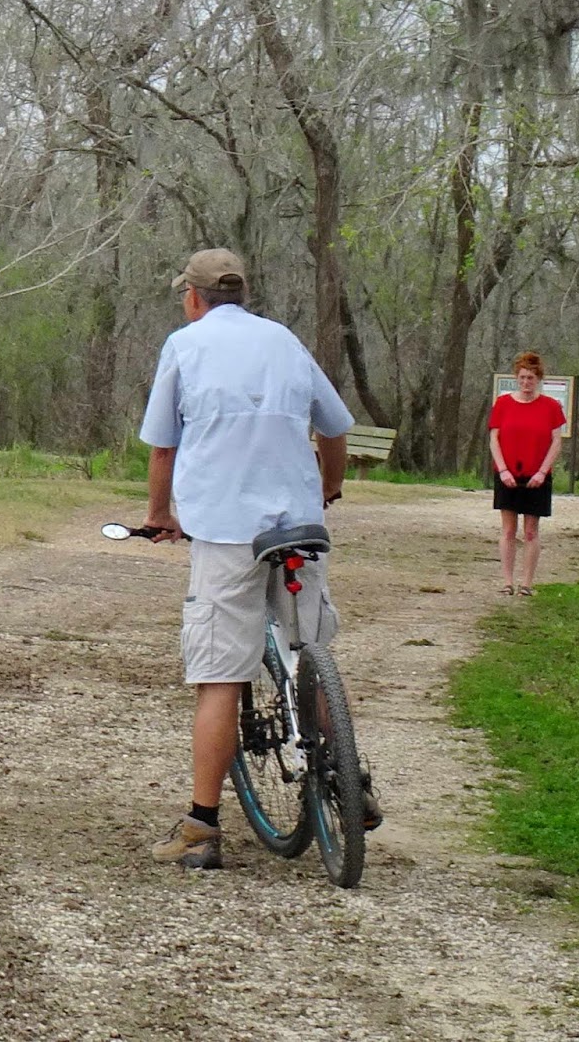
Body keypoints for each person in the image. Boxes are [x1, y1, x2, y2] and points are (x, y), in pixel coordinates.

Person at [136, 248, 372, 870]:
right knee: (306, 656)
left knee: (221, 673)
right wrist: (327, 488)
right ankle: (352, 784)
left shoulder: (185, 346)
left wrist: (160, 516)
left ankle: (202, 827)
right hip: (298, 523)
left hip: (226, 529)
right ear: (239, 293)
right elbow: (336, 427)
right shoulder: (285, 341)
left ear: (193, 297)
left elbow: (163, 447)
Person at [488, 351, 566, 597]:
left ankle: (527, 584)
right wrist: (502, 470)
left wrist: (543, 472)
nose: (526, 383)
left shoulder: (551, 407)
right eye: (522, 378)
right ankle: (507, 581)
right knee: (508, 530)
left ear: (538, 379)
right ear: (516, 378)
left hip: (536, 476)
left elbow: (556, 442)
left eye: (530, 378)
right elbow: (494, 439)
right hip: (508, 474)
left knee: (531, 530)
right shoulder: (503, 404)